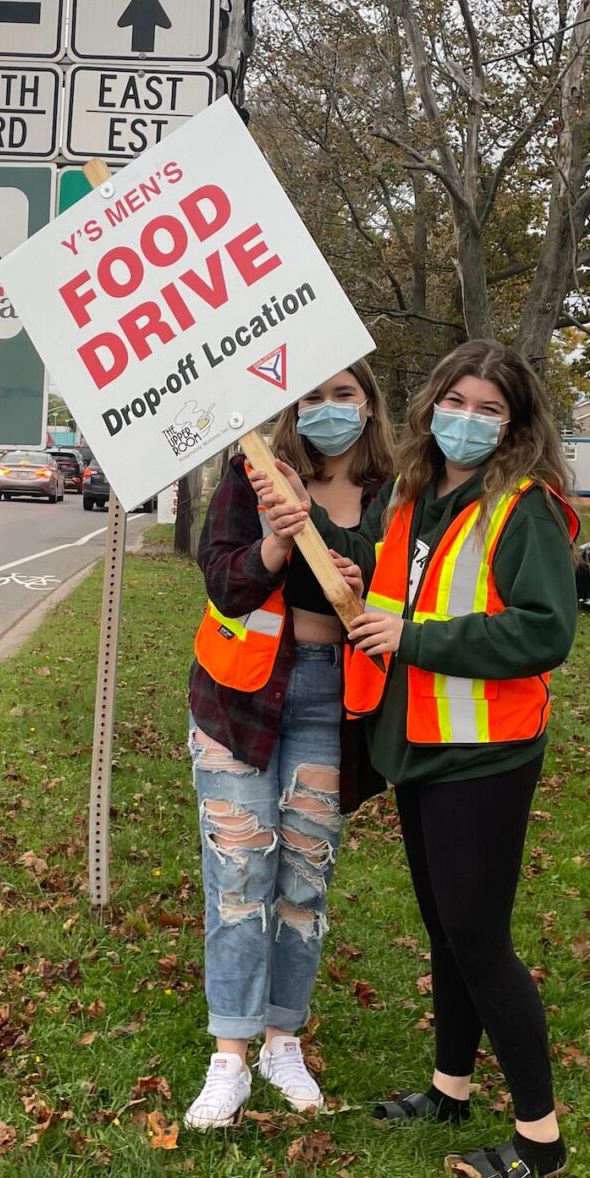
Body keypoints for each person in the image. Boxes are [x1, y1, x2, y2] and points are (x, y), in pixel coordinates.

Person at [251, 339, 580, 1178]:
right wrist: (307, 521)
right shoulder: (412, 495)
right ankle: (448, 1090)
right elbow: (369, 568)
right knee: (445, 930)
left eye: (488, 409)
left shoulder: (522, 508)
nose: (466, 420)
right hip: (419, 745)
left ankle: (540, 1139)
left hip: (486, 749)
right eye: (455, 403)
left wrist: (414, 638)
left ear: (514, 424)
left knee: (479, 939)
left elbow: (545, 630)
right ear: (430, 408)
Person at [184, 362, 396, 1130]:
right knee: (239, 873)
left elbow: (414, 594)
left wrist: (368, 582)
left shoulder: (395, 494)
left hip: (333, 706)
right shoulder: (255, 476)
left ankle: (283, 1041)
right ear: (290, 406)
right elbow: (222, 583)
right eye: (312, 395)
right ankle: (229, 1058)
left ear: (368, 405)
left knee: (303, 881)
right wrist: (275, 544)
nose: (328, 408)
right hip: (239, 699)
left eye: (344, 394)